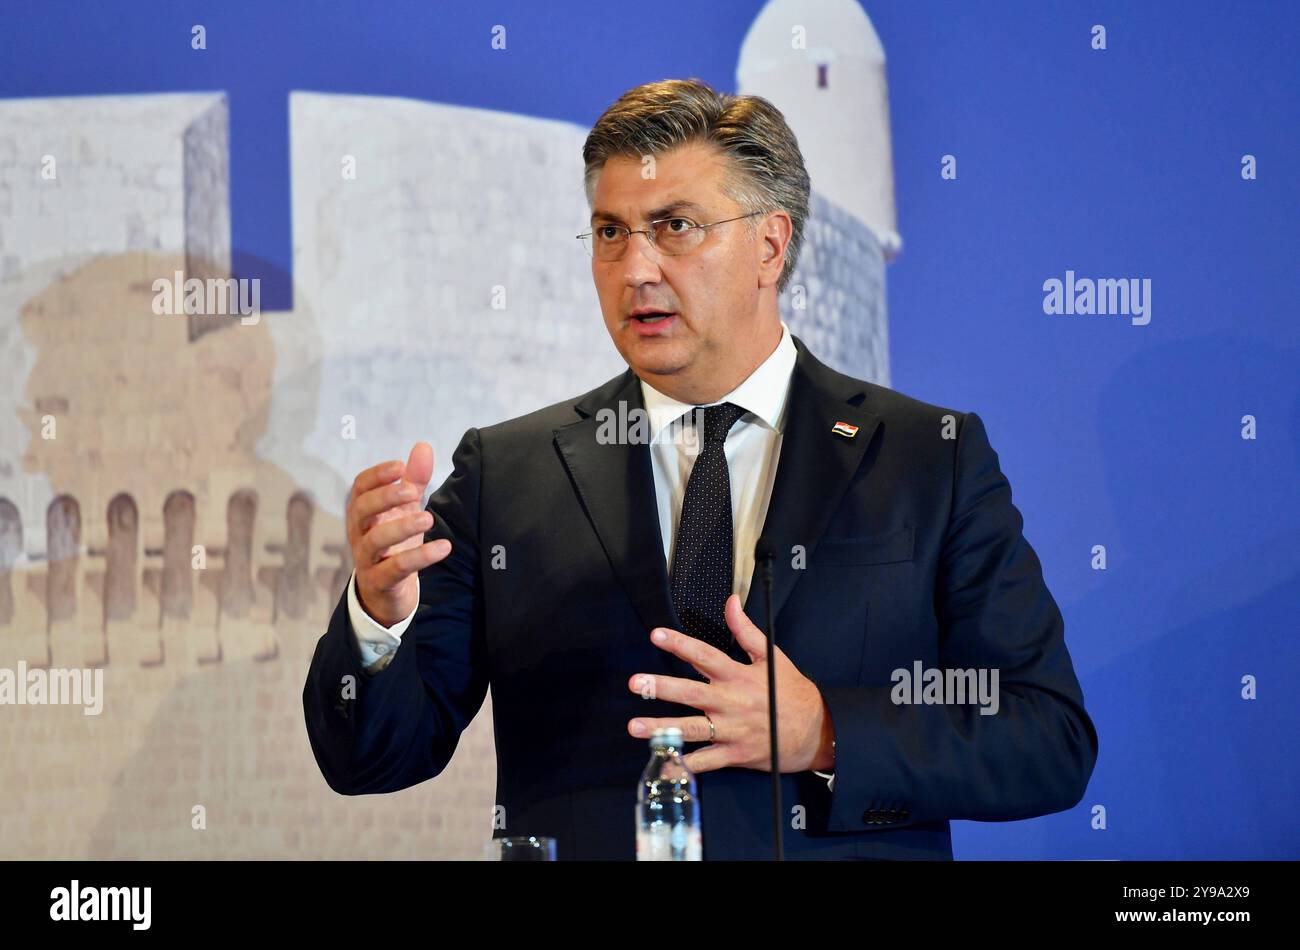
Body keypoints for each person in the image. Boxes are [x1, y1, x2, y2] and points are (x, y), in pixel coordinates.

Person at [302, 78, 1098, 860]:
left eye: (674, 226)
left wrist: (824, 729)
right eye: (610, 232)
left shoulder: (928, 458)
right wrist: (379, 615)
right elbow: (371, 759)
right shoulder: (506, 474)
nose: (636, 269)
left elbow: (1045, 736)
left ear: (770, 244)